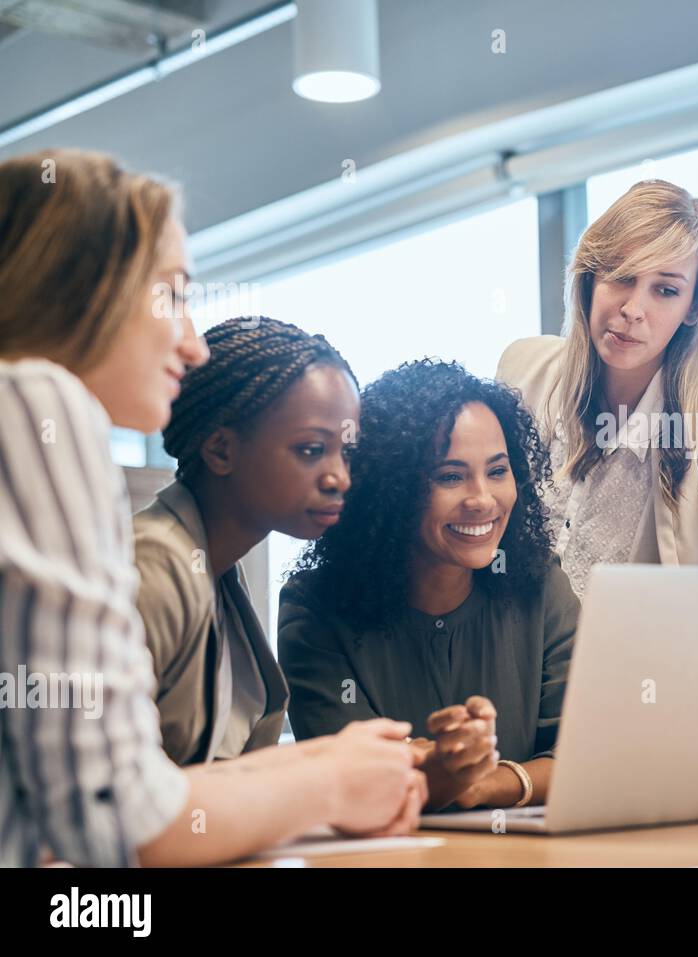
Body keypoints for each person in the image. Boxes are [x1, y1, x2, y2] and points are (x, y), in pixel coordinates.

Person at [0, 149, 431, 867]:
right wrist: (328, 779)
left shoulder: (217, 574)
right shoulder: (35, 402)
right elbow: (117, 818)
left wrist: (337, 767)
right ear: (81, 290)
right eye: (171, 294)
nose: (192, 342)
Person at [279, 359, 577, 811]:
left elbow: (585, 754)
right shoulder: (314, 611)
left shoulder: (540, 586)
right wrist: (443, 768)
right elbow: (352, 778)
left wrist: (486, 783)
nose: (482, 499)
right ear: (391, 489)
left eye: (498, 471)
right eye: (450, 477)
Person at [497, 179, 698, 598]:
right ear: (589, 279)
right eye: (621, 276)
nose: (633, 310)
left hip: (628, 662)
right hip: (506, 655)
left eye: (665, 290)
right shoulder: (523, 369)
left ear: (696, 307)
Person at [134, 316, 358, 765]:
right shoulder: (151, 570)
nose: (340, 478)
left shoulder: (218, 571)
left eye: (346, 452)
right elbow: (109, 796)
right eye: (312, 450)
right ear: (221, 451)